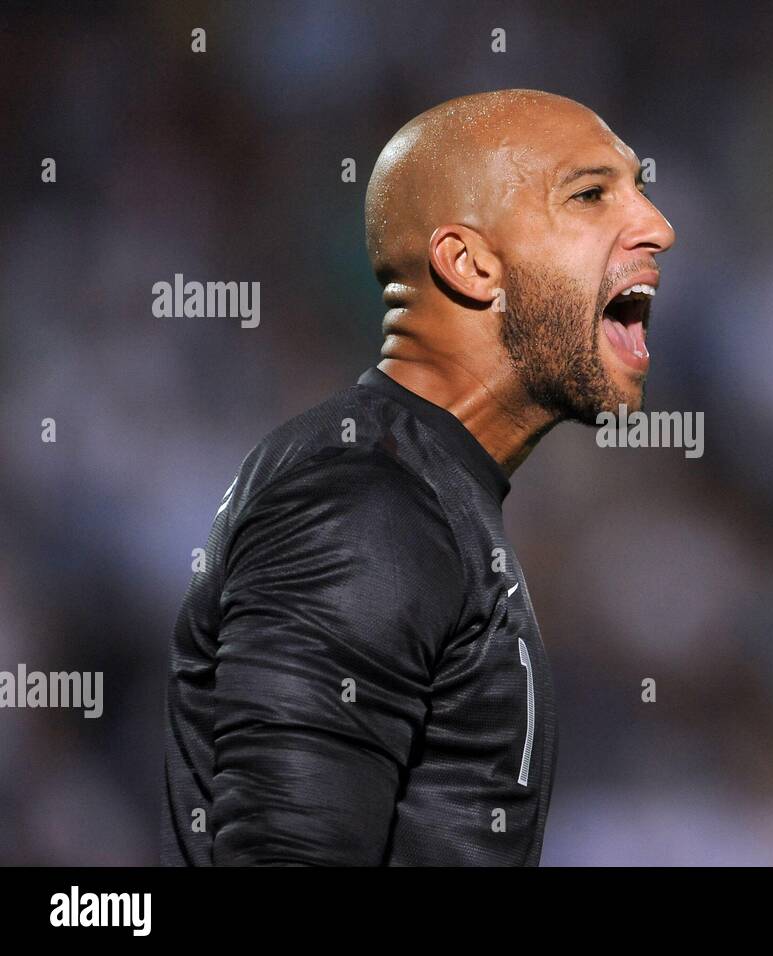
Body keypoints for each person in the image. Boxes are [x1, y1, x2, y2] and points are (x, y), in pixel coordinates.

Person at [161, 88, 676, 865]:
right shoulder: (365, 498)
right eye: (592, 194)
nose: (657, 227)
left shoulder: (426, 488)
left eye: (638, 188)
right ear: (469, 264)